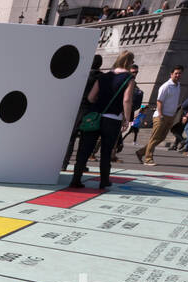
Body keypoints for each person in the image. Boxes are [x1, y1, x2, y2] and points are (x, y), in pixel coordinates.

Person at [70, 50, 135, 190]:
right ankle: (104, 180)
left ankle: (76, 179)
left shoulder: (103, 77)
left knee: (84, 149)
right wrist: (127, 118)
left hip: (95, 116)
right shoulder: (128, 78)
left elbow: (91, 97)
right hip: (113, 119)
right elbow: (127, 99)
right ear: (130, 62)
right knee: (106, 151)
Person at [135, 63, 182, 166]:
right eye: (176, 73)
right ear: (171, 74)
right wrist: (160, 115)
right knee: (155, 137)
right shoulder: (166, 86)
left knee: (161, 138)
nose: (178, 75)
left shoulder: (178, 86)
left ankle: (141, 152)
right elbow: (159, 101)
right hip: (161, 116)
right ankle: (148, 159)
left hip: (170, 116)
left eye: (179, 73)